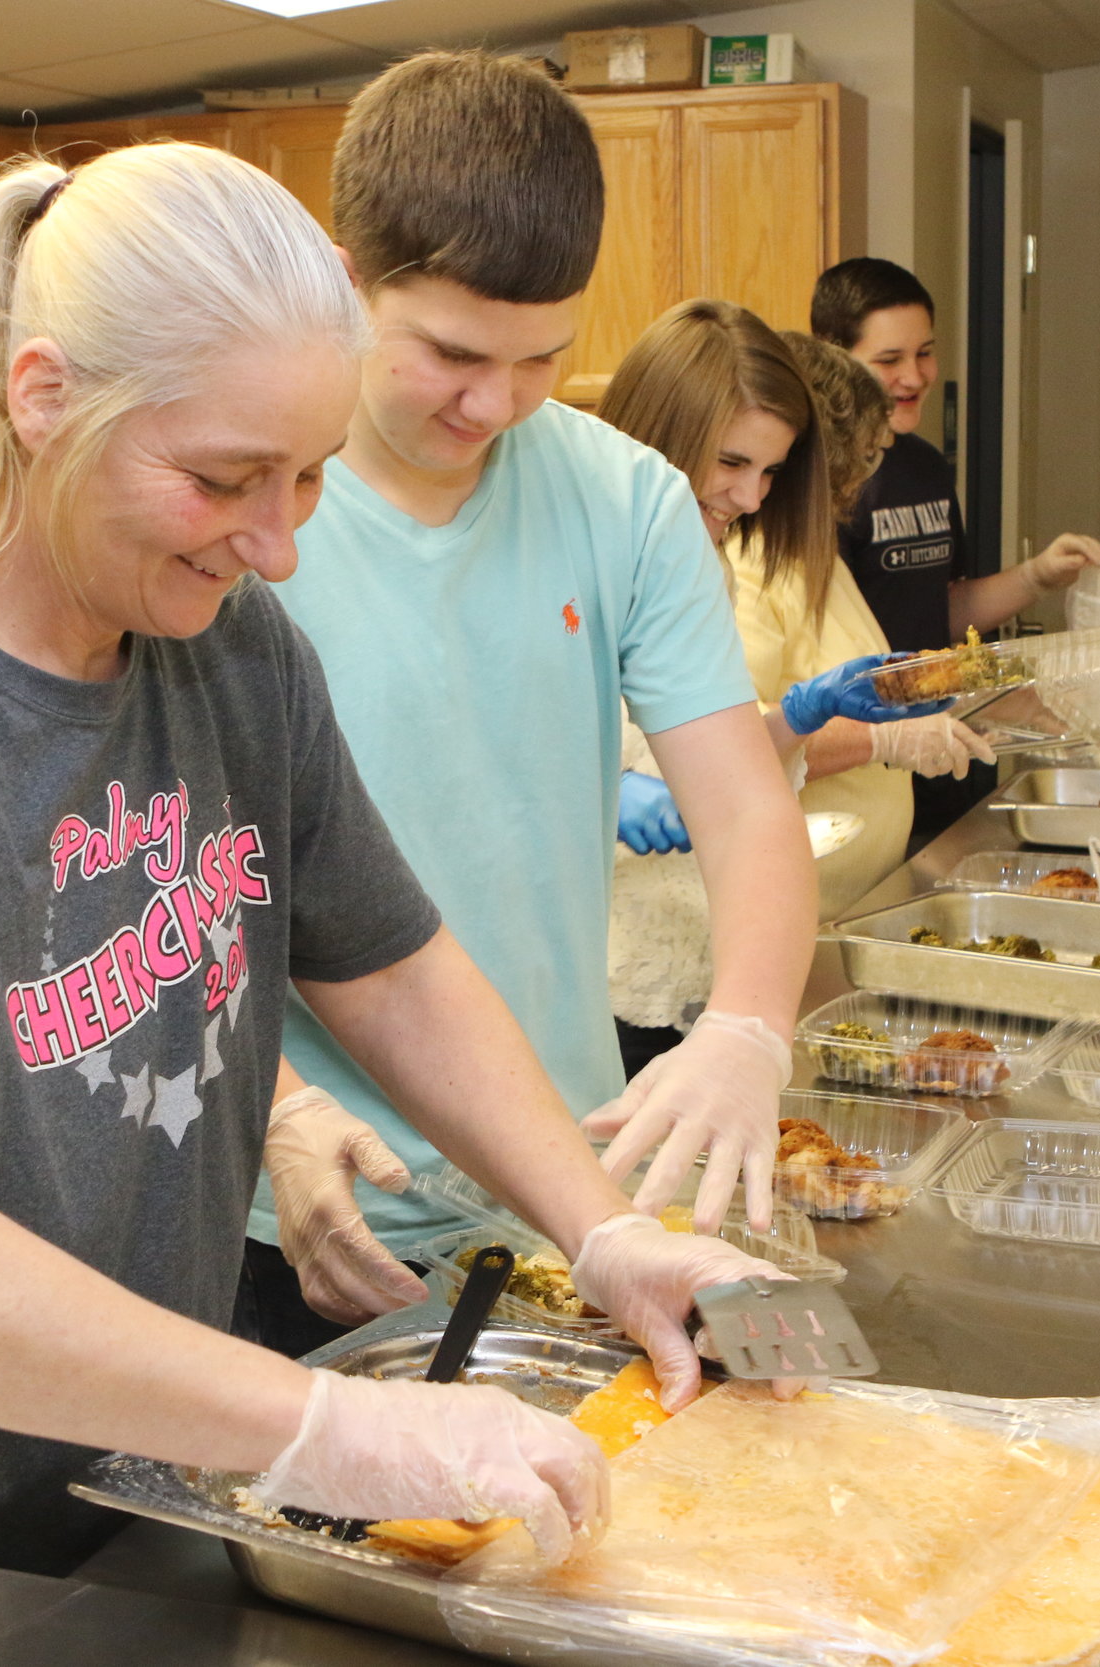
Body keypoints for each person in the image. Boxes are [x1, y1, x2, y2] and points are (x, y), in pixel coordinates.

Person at [0, 141, 787, 1579]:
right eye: (228, 477)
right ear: (44, 396)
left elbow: (390, 964)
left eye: (307, 477)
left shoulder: (222, 642)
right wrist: (316, 1422)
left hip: (106, 1468)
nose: (280, 544)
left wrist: (601, 1232)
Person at [243, 52, 819, 1355]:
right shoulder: (251, 504)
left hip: (570, 1188)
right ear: (346, 281)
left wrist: (747, 1026)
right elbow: (149, 878)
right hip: (308, 1202)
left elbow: (742, 807)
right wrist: (265, 1103)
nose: (493, 403)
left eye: (540, 357)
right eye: (448, 352)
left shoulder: (626, 499)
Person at [595, 302, 990, 1074]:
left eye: (770, 472)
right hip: (610, 977)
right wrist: (598, 795)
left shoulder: (697, 557)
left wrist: (799, 718)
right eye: (733, 464)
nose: (751, 497)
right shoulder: (575, 558)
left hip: (703, 965)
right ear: (659, 434)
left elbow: (718, 763)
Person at [811, 257, 1100, 838]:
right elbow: (823, 670)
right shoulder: (818, 486)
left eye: (924, 352)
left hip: (946, 757)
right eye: (888, 360)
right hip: (863, 769)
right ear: (834, 358)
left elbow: (937, 610)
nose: (915, 376)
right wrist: (982, 704)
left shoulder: (924, 466)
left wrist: (1036, 577)